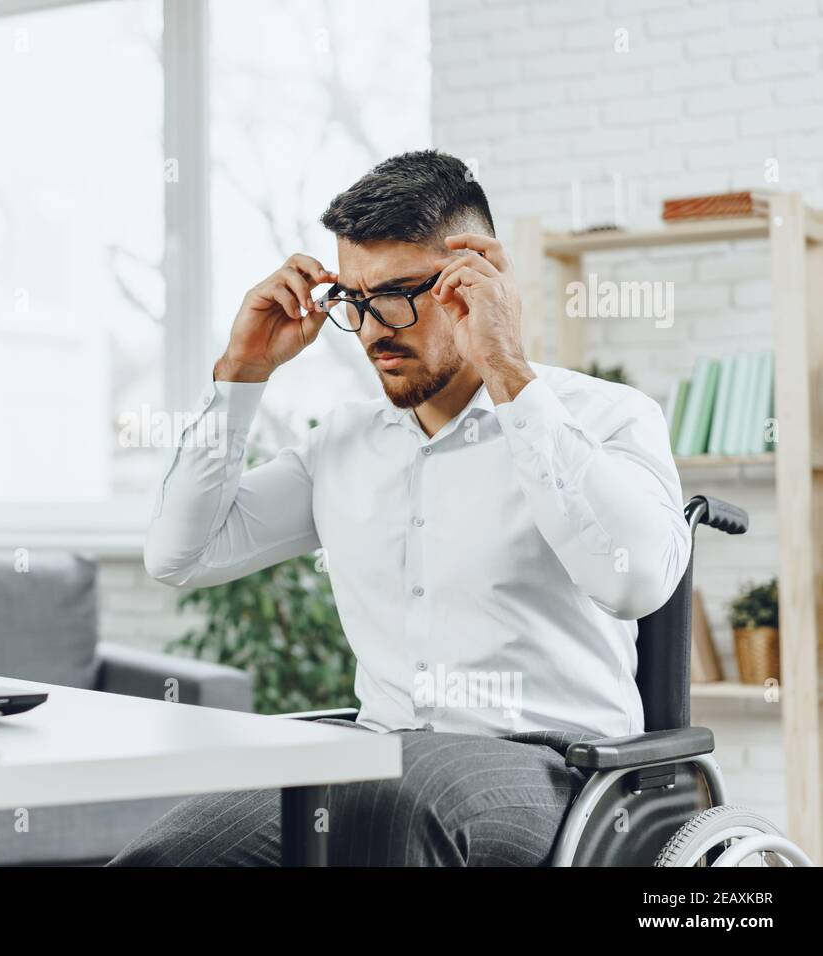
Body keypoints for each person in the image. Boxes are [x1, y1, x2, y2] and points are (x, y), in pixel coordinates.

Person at [108, 149, 689, 866]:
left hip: (552, 769)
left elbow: (635, 582)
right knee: (173, 853)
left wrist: (507, 369)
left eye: (396, 294)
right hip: (376, 759)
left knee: (390, 810)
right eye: (353, 300)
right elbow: (178, 555)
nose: (374, 329)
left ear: (476, 281)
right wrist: (241, 374)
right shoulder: (344, 443)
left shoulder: (605, 415)